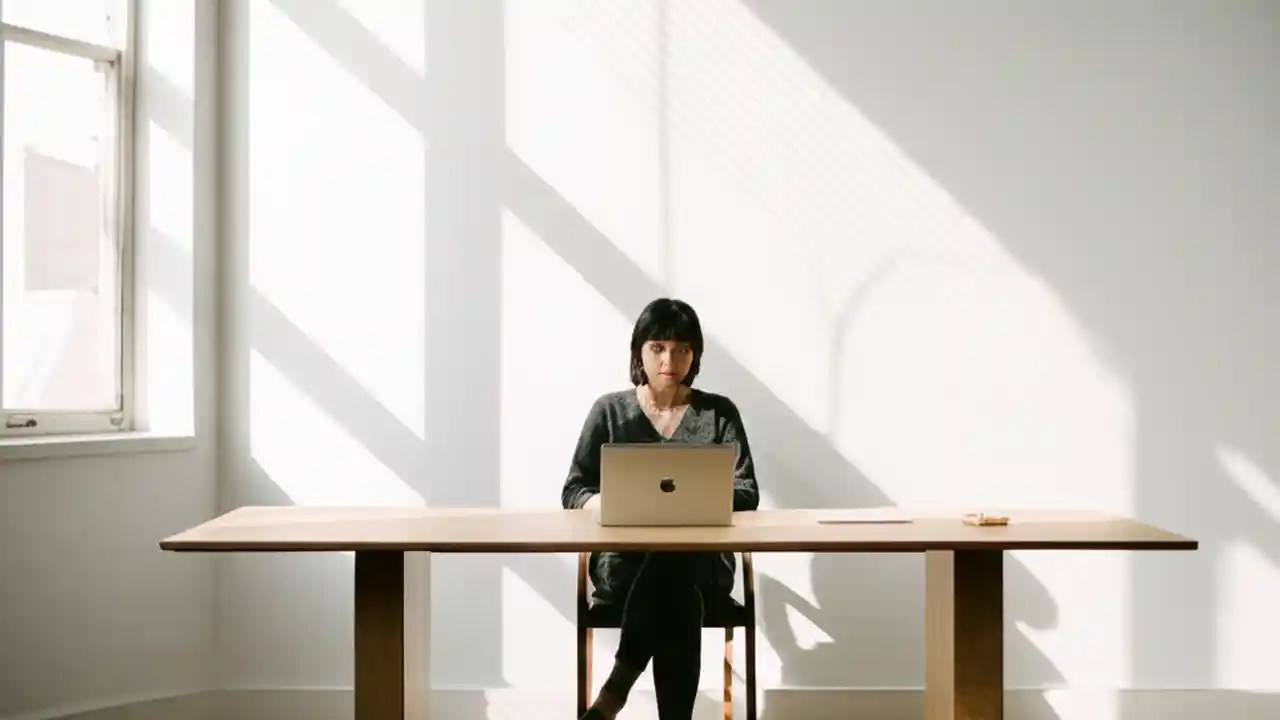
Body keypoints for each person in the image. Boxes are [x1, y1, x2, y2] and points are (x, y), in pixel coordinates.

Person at [562, 297, 760, 720]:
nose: (669, 359)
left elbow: (746, 490)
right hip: (624, 565)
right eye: (658, 348)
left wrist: (696, 501)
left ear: (695, 354)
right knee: (677, 592)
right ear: (639, 351)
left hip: (705, 564)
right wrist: (606, 503)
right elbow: (575, 488)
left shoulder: (718, 413)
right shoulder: (609, 411)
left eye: (681, 348)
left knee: (676, 570)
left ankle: (615, 691)